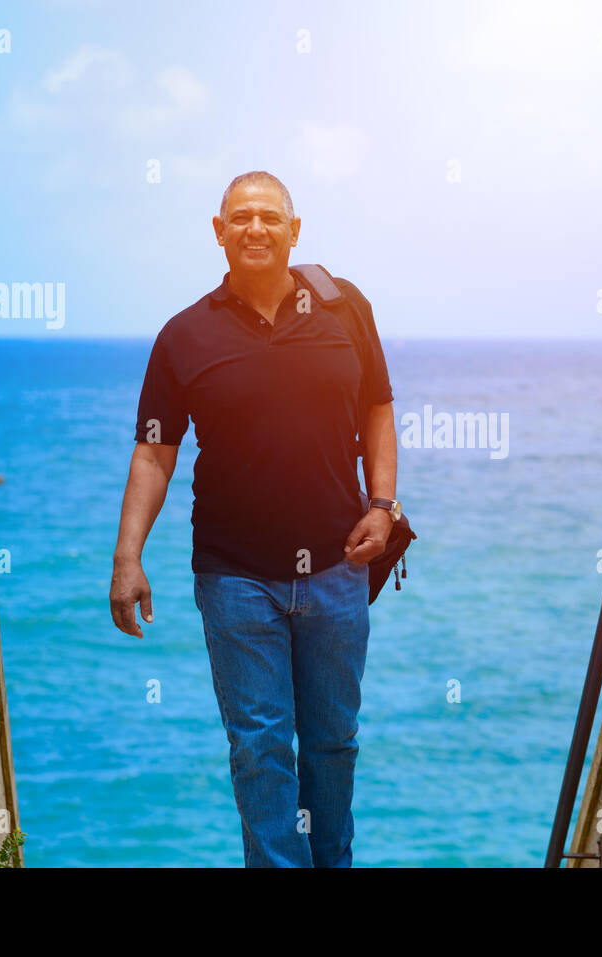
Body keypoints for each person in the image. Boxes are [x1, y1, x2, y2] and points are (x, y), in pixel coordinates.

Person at [109, 170, 399, 867]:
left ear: (295, 230)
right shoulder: (183, 336)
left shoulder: (345, 308)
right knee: (260, 747)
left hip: (338, 567)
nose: (256, 229)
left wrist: (383, 506)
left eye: (270, 217)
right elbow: (154, 451)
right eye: (240, 218)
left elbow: (378, 409)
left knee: (333, 743)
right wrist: (127, 556)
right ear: (219, 232)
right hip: (234, 578)